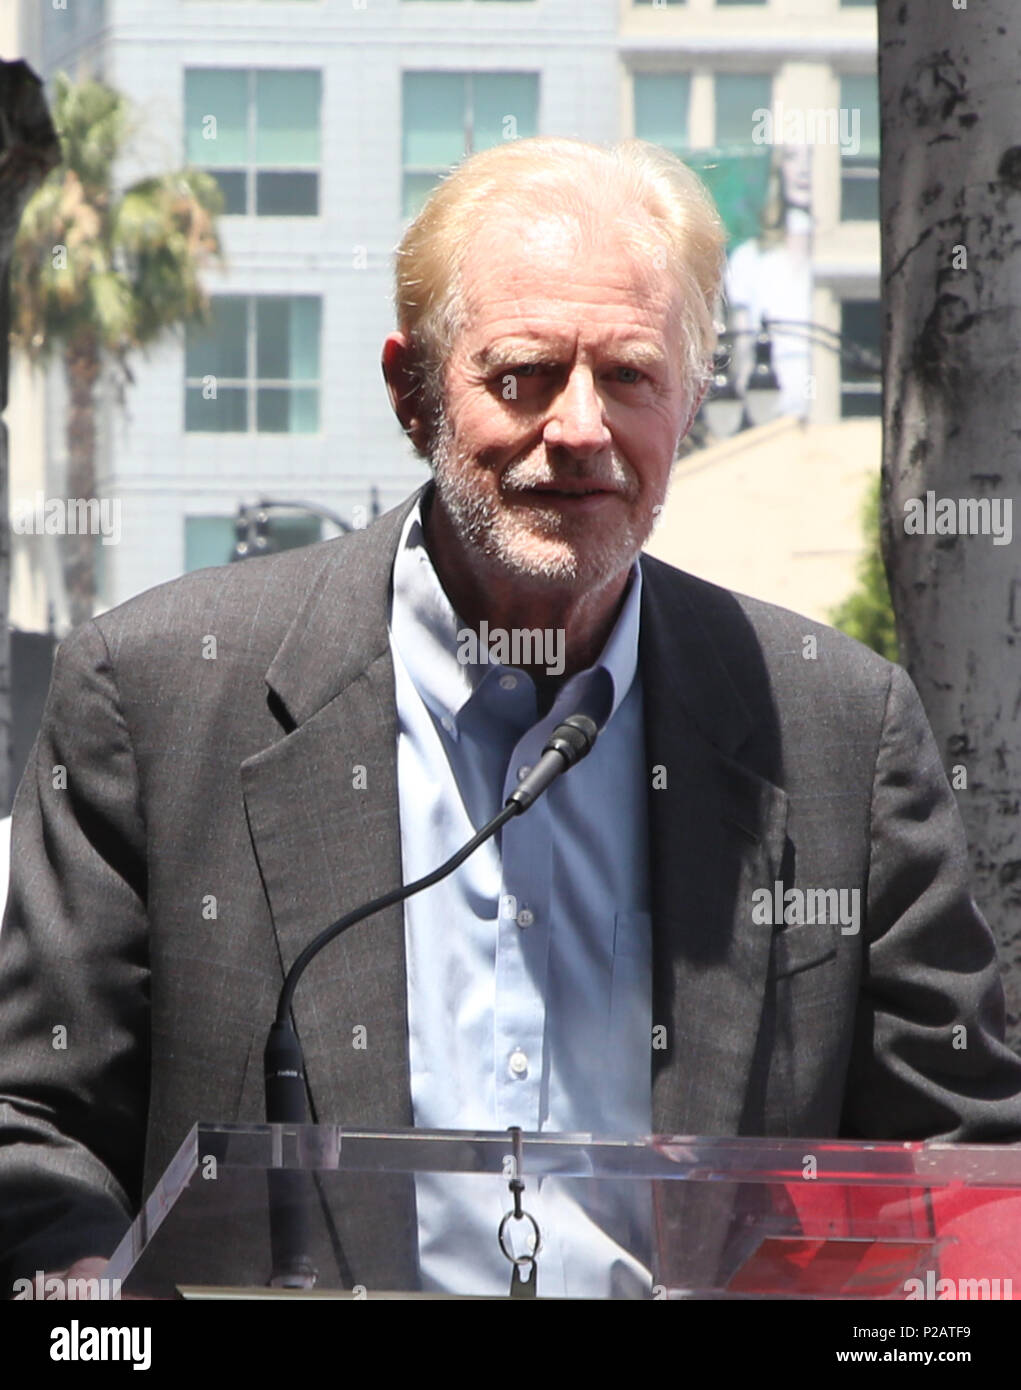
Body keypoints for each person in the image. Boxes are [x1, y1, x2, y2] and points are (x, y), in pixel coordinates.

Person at [2, 137, 1020, 1300]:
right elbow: (37, 1120)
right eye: (525, 373)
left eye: (631, 375)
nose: (580, 426)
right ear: (410, 388)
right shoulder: (156, 694)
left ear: (688, 398)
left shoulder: (839, 727)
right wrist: (81, 1290)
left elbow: (960, 1159)